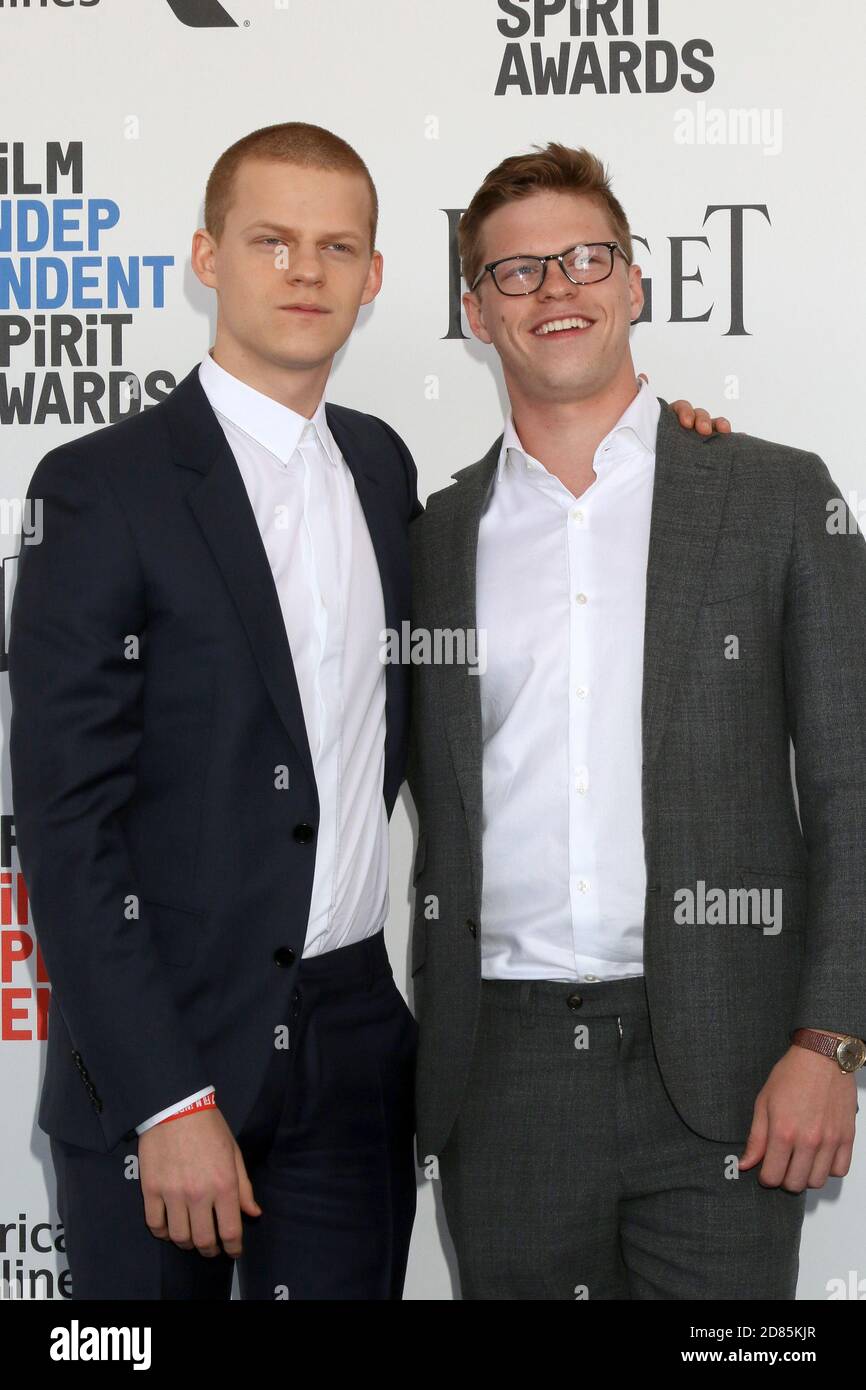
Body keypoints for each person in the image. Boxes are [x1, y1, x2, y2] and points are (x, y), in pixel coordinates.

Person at [8, 120, 722, 1301]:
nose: (305, 270)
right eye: (271, 240)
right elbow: (65, 820)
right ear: (205, 256)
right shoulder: (97, 487)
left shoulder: (387, 472)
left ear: (377, 279)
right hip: (163, 1052)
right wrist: (166, 1096)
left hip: (352, 1046)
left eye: (338, 246)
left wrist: (682, 450)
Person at [406, 141, 866, 1300]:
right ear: (473, 311)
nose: (554, 288)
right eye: (515, 272)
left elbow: (853, 784)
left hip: (732, 1069)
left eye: (585, 258)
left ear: (636, 282)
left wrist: (830, 1043)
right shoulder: (429, 540)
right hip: (500, 1083)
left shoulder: (773, 496)